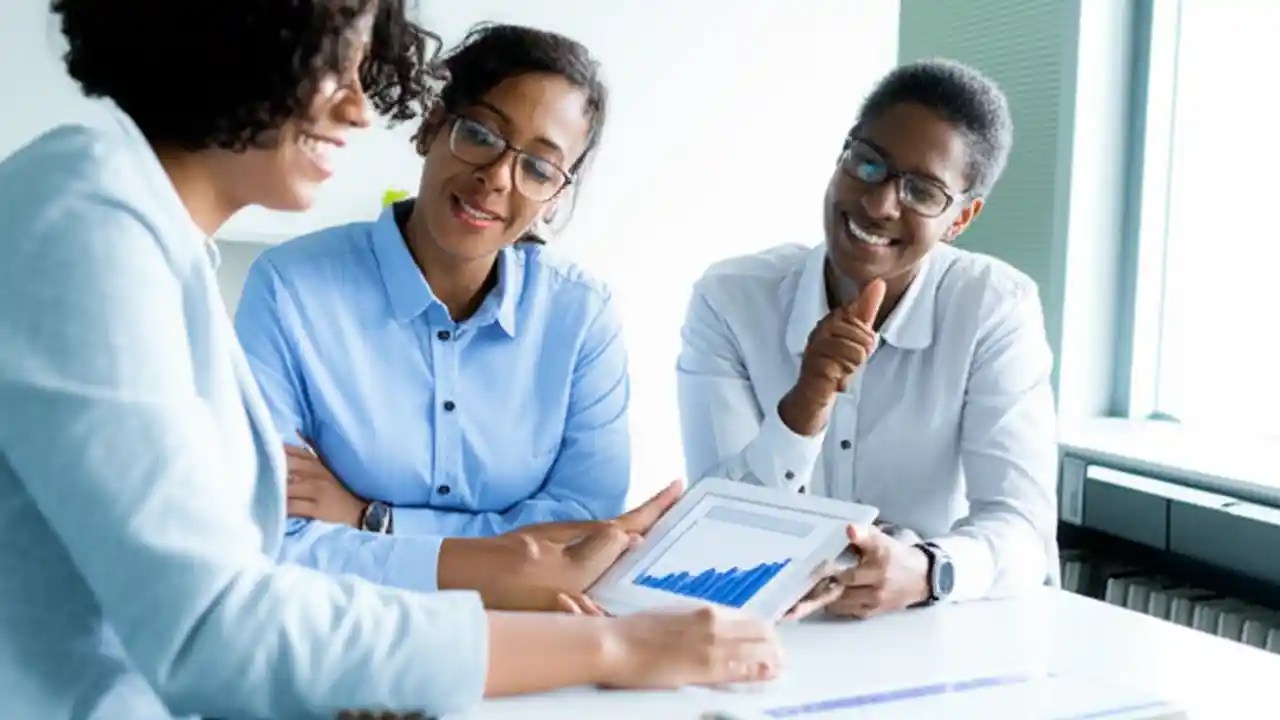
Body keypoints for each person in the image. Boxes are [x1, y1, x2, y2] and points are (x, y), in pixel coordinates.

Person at [0, 2, 782, 718]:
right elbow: (217, 632)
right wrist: (617, 648)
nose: (358, 105)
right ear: (235, 34)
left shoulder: (153, 238)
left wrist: (454, 560)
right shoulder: (84, 223)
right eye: (332, 64)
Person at [233, 23, 631, 592]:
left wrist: (373, 520)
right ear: (432, 127)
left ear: (555, 196)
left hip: (531, 638)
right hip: (342, 628)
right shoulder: (290, 289)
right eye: (481, 134)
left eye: (539, 168)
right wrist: (514, 563)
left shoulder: (581, 317)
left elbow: (584, 541)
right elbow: (275, 533)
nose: (496, 177)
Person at [677, 59, 1059, 621]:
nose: (880, 204)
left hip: (930, 628)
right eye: (868, 163)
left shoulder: (995, 308)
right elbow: (717, 525)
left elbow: (1024, 532)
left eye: (923, 192)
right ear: (842, 157)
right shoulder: (730, 299)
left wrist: (928, 569)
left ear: (961, 217)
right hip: (766, 631)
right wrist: (807, 401)